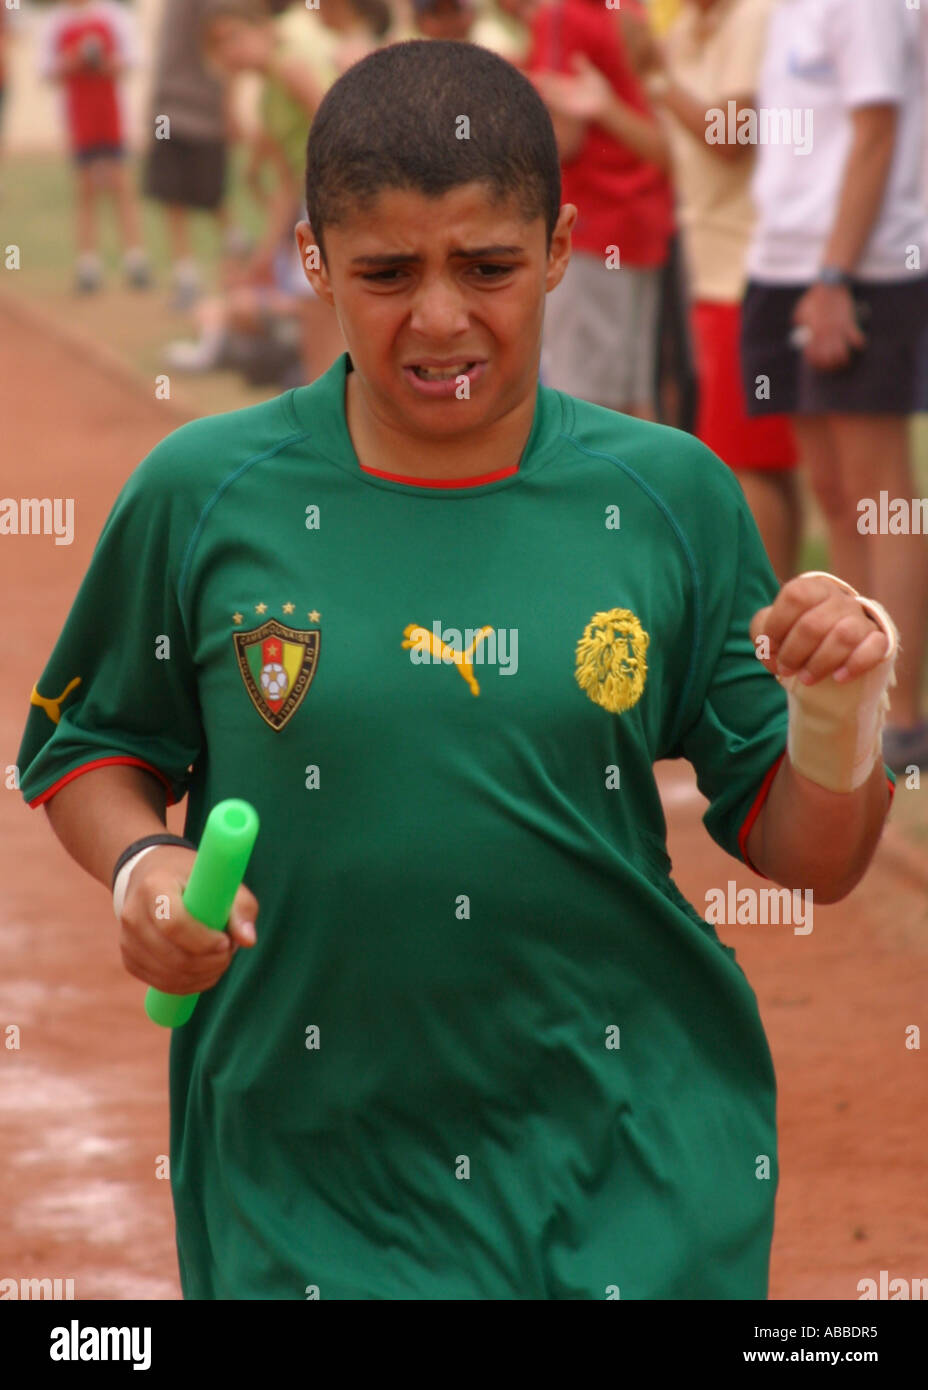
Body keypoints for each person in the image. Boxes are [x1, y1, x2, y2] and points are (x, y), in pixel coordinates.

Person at [19, 38, 898, 1300]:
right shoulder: (204, 495)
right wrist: (142, 866)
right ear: (313, 260)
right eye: (384, 273)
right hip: (309, 1174)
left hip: (632, 1166)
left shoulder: (667, 499)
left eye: (487, 266)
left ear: (557, 248)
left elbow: (818, 855)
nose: (439, 318)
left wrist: (839, 713)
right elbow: (90, 742)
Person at [741, 0, 928, 769]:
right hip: (781, 261)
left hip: (861, 267)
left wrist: (835, 275)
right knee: (833, 489)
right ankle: (850, 689)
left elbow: (877, 130)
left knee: (881, 492)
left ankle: (904, 718)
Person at [656, 0, 800, 580]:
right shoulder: (688, 30)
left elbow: (731, 134)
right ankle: (784, 615)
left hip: (748, 271)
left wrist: (659, 81)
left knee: (750, 461)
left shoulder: (757, 17)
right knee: (759, 459)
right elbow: (675, 156)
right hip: (712, 270)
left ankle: (771, 622)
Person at [525, 0, 674, 419]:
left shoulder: (561, 14)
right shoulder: (629, 9)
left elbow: (563, 137)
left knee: (583, 408)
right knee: (633, 404)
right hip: (639, 225)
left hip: (591, 227)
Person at [37, 0, 150, 293]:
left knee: (121, 185)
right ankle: (88, 264)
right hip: (79, 118)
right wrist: (72, 60)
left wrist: (108, 62)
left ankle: (135, 259)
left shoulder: (115, 16)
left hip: (111, 116)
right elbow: (47, 70)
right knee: (85, 188)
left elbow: (133, 60)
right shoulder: (55, 22)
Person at [142, 0, 240, 310]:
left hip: (203, 111)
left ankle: (238, 267)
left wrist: (228, 106)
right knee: (172, 194)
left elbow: (226, 38)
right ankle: (186, 276)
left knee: (211, 193)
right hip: (169, 108)